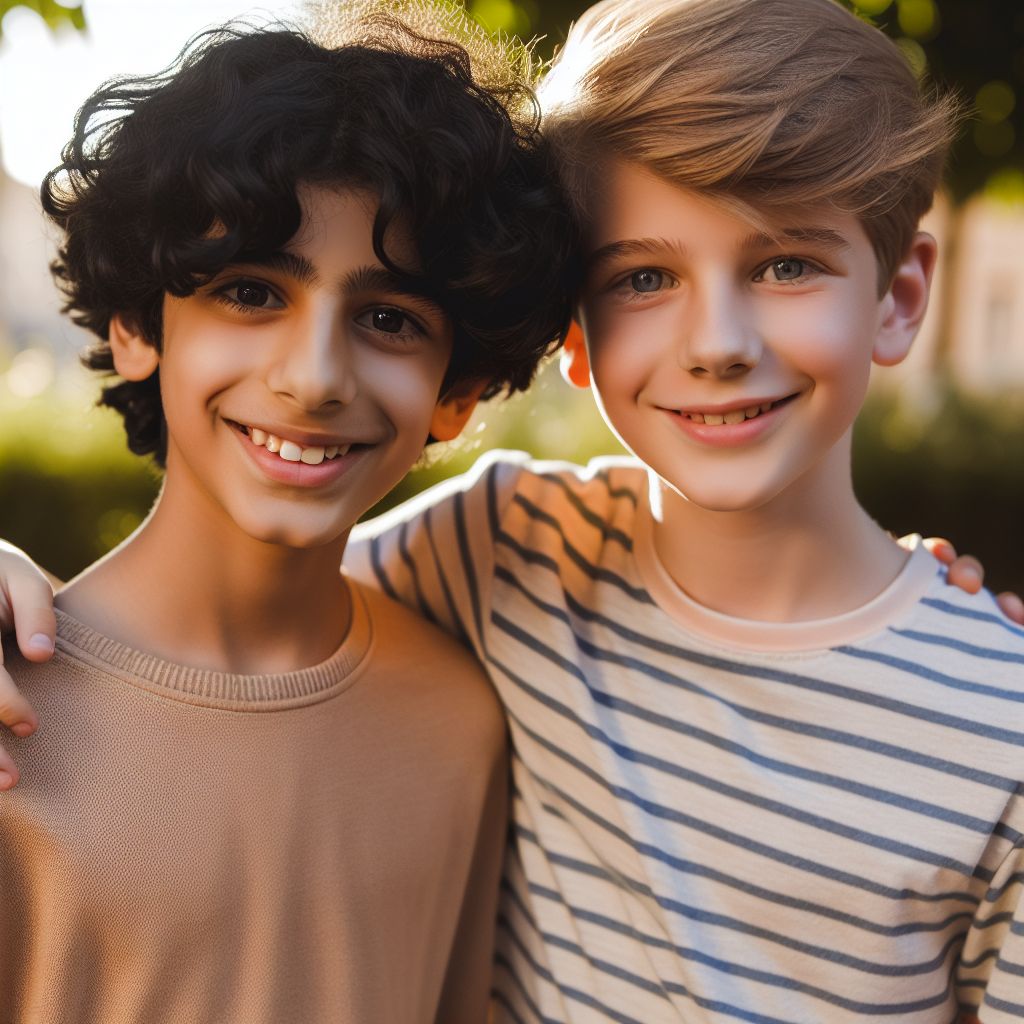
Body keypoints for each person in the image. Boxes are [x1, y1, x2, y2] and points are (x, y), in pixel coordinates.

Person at [0, 0, 1021, 1020]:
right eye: (646, 277)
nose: (312, 379)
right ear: (574, 332)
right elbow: (197, 638)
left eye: (785, 265)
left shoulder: (478, 631)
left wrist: (954, 628)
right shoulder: (497, 550)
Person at [0, 7, 576, 1022]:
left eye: (389, 319)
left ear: (457, 390)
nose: (313, 378)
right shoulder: (13, 726)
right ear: (139, 322)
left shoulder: (461, 724)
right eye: (251, 291)